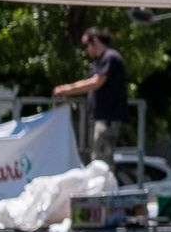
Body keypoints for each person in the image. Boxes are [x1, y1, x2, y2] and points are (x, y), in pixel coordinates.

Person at [53, 27, 128, 163]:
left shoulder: (110, 57)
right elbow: (87, 81)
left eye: (86, 45)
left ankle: (105, 185)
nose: (85, 50)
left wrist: (67, 89)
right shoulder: (98, 62)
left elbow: (95, 82)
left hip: (107, 119)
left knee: (101, 161)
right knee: (96, 160)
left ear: (95, 40)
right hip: (99, 118)